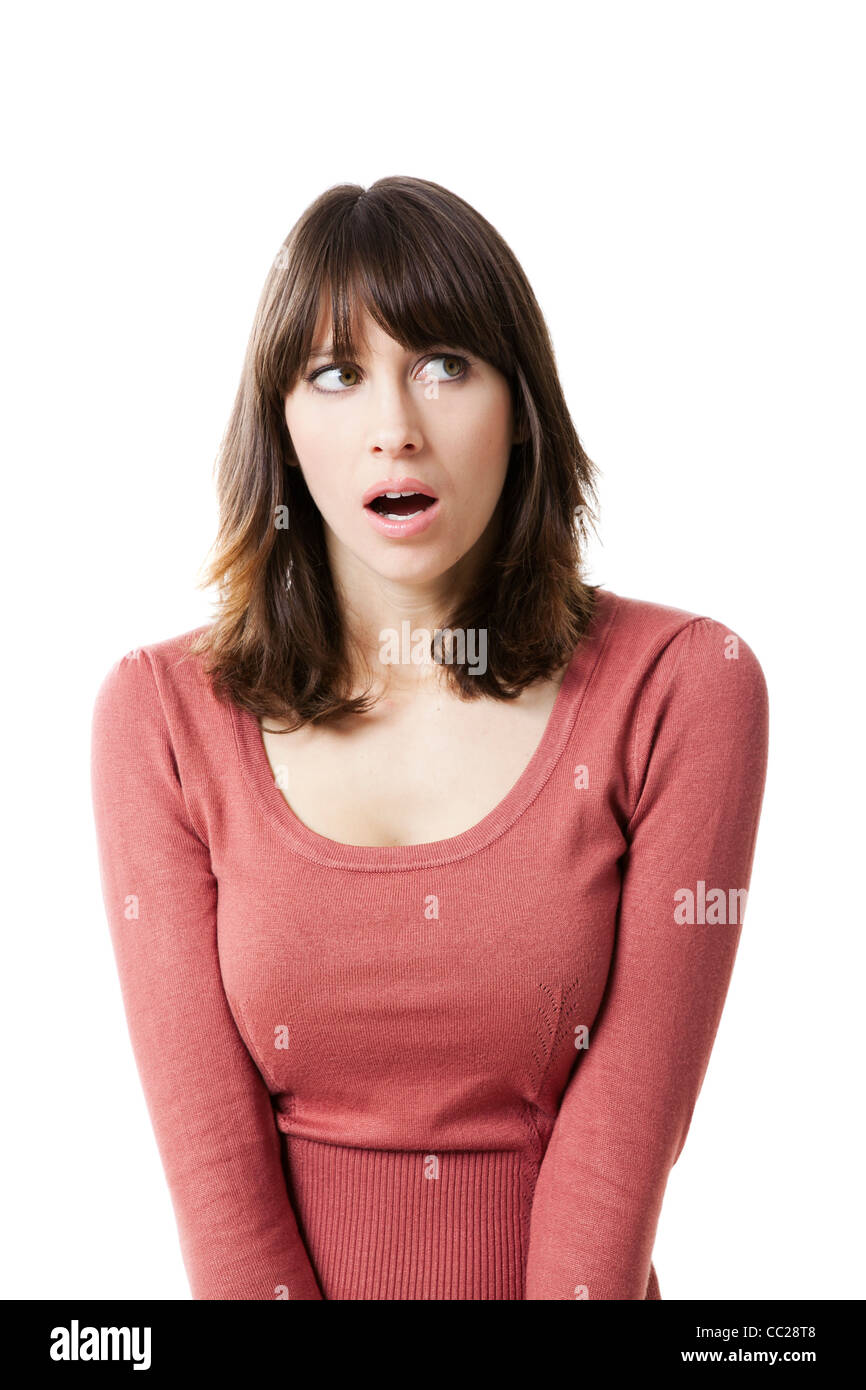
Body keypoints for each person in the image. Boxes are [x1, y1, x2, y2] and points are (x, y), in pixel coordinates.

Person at [90, 175, 769, 1300]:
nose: (393, 428)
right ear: (283, 425)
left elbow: (620, 1144)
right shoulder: (159, 714)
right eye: (337, 373)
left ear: (521, 404)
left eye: (444, 364)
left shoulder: (684, 685)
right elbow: (217, 1181)